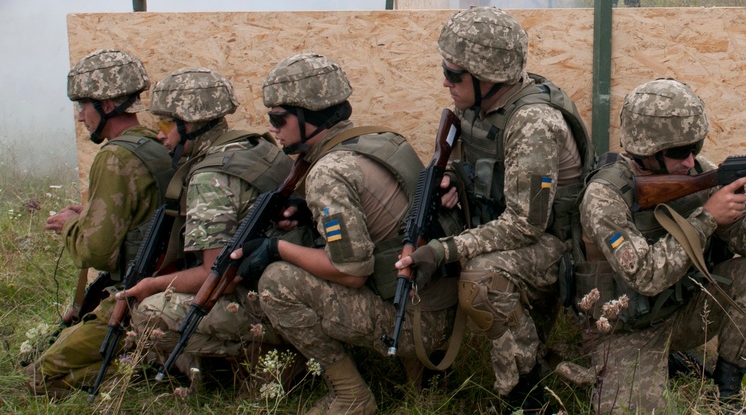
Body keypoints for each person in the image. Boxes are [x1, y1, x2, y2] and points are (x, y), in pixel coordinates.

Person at [241, 52, 464, 415]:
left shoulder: (329, 171)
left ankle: (350, 395)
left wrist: (276, 248)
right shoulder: (379, 140)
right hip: (440, 305)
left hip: (416, 323)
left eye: (278, 118)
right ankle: (421, 376)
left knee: (276, 282)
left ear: (309, 117)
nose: (273, 128)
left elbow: (352, 272)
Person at [573, 78, 746, 413]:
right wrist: (707, 218)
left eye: (695, 147)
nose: (690, 161)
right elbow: (645, 277)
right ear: (645, 150)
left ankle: (728, 395)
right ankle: (648, 364)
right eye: (678, 152)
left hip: (684, 312)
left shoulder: (700, 174)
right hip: (624, 330)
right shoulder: (605, 196)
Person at [397, 6, 593, 412]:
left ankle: (527, 397)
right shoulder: (483, 104)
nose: (445, 81)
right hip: (515, 228)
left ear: (486, 77)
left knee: (481, 279)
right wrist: (456, 179)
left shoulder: (532, 123)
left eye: (453, 74)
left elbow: (526, 225)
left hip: (558, 246)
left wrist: (444, 251)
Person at [121, 67, 295, 384]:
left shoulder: (210, 177)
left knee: (148, 312)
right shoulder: (256, 146)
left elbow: (213, 277)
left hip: (262, 302)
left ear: (189, 125)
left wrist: (152, 286)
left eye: (165, 124)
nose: (160, 135)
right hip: (285, 286)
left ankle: (264, 361)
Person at [26, 49, 173, 398]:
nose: (80, 117)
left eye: (83, 106)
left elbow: (96, 251)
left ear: (106, 105)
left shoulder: (114, 156)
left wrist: (70, 226)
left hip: (132, 295)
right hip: (161, 285)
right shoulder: (154, 142)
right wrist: (89, 215)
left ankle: (148, 367)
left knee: (37, 378)